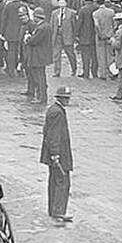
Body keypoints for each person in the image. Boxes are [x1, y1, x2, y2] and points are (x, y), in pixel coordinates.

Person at [41, 85, 74, 224]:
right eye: (65, 98)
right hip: (59, 153)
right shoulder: (57, 112)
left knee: (55, 181)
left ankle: (54, 210)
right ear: (60, 98)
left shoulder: (55, 110)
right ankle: (59, 211)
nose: (67, 100)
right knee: (62, 182)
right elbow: (53, 135)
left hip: (57, 153)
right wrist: (55, 154)